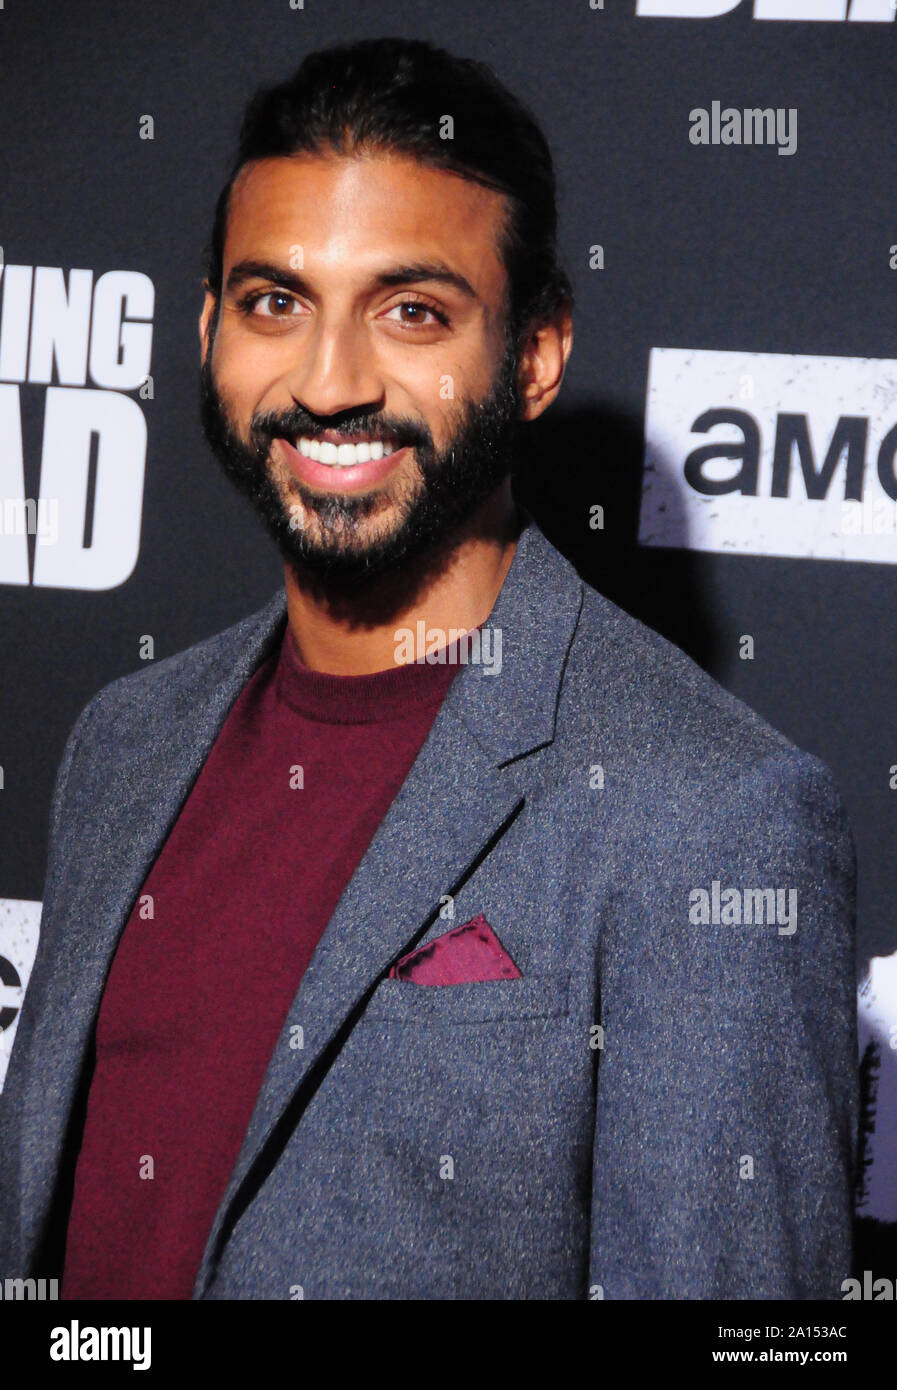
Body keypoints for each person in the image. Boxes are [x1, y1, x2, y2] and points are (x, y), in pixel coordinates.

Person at [0, 36, 857, 1300]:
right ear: (207, 330)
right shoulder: (122, 740)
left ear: (536, 351)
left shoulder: (708, 816)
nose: (330, 382)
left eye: (413, 312)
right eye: (274, 302)